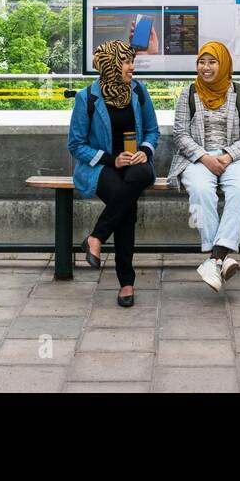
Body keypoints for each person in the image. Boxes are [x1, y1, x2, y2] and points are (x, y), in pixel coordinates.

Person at [67, 39, 160, 307]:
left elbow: (154, 130)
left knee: (140, 176)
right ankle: (126, 283)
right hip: (101, 167)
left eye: (132, 61)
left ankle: (96, 237)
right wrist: (111, 159)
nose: (132, 67)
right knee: (126, 205)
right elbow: (75, 144)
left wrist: (145, 149)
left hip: (135, 163)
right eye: (127, 61)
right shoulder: (87, 98)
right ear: (111, 64)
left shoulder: (138, 91)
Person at [167, 41, 240, 292]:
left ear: (224, 64)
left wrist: (228, 155)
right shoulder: (188, 93)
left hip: (235, 158)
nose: (205, 68)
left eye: (212, 62)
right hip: (196, 158)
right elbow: (180, 134)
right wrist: (204, 157)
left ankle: (214, 258)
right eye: (201, 62)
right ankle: (222, 256)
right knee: (200, 190)